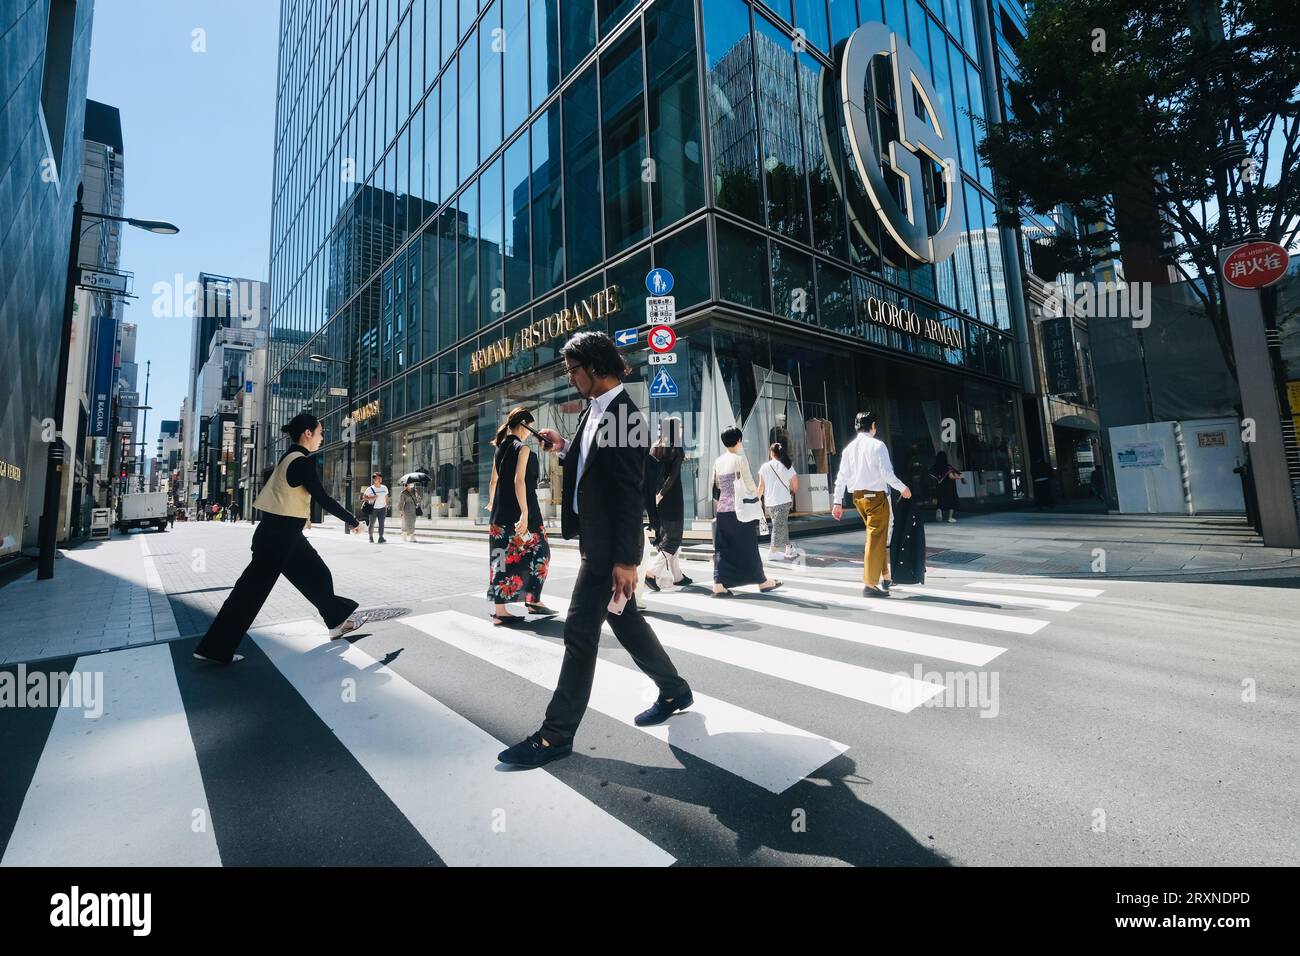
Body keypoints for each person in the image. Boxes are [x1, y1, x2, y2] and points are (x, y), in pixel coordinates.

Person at [498, 331, 692, 768]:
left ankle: (555, 736)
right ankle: (674, 689)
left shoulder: (626, 417)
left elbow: (627, 493)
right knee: (625, 621)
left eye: (573, 370)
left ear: (596, 367)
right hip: (595, 538)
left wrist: (627, 560)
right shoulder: (595, 410)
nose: (570, 378)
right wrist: (564, 447)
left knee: (579, 633)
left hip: (608, 549)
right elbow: (594, 467)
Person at [192, 412, 365, 664]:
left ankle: (337, 622)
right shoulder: (301, 462)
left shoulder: (290, 457)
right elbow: (323, 498)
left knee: (318, 574)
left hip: (285, 535)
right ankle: (213, 649)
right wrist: (353, 521)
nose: (321, 438)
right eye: (320, 433)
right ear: (308, 433)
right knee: (249, 595)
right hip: (277, 538)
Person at [831, 411, 912, 599]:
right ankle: (869, 584)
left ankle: (886, 576)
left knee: (879, 537)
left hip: (858, 498)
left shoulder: (848, 449)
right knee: (876, 539)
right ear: (873, 426)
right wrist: (903, 488)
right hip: (876, 497)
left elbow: (841, 478)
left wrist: (837, 501)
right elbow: (886, 474)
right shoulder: (878, 446)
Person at [485, 405, 554, 624]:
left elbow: (494, 480)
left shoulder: (499, 447)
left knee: (500, 560)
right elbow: (519, 481)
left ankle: (500, 611)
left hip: (499, 513)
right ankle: (533, 599)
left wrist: (491, 502)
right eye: (529, 427)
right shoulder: (521, 448)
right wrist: (524, 513)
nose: (529, 431)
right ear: (523, 425)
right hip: (524, 513)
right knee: (542, 553)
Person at [711, 428, 782, 597]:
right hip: (739, 510)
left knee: (723, 547)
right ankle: (761, 581)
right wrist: (757, 500)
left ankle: (719, 584)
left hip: (723, 510)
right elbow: (749, 484)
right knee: (749, 545)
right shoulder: (739, 459)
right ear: (738, 440)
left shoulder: (718, 461)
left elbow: (716, 487)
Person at [643, 418, 691, 591]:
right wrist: (662, 494)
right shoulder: (676, 448)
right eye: (680, 427)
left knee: (667, 536)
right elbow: (673, 476)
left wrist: (654, 496)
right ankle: (652, 572)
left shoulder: (655, 447)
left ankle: (677, 575)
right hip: (671, 498)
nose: (682, 430)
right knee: (673, 539)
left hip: (656, 498)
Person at [757, 441, 799, 561]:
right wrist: (790, 492)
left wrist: (756, 500)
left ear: (771, 453)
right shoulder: (787, 466)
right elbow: (795, 486)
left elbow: (761, 486)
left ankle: (788, 548)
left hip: (769, 503)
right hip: (783, 501)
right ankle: (773, 552)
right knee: (778, 526)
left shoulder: (764, 467)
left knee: (780, 525)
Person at [931, 450, 963, 523]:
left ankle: (939, 509)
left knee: (941, 500)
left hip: (939, 487)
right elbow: (951, 476)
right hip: (949, 487)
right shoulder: (947, 467)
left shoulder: (935, 467)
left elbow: (932, 477)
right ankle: (950, 517)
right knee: (951, 502)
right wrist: (958, 477)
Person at [363, 472, 389, 542]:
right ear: (374, 480)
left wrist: (386, 505)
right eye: (378, 478)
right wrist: (372, 497)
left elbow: (386, 497)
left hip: (382, 508)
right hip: (373, 509)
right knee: (372, 523)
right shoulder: (370, 489)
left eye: (381, 478)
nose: (380, 479)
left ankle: (381, 537)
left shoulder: (384, 488)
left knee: (382, 524)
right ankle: (370, 537)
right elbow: (364, 498)